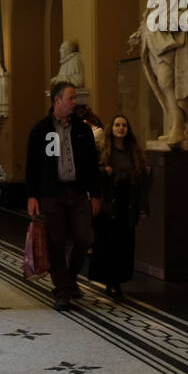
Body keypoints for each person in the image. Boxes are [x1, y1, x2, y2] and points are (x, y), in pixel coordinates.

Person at [26, 82, 101, 311]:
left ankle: (69, 279)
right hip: (52, 194)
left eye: (75, 98)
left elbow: (91, 165)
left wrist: (95, 195)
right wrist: (32, 196)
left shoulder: (82, 129)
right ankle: (62, 291)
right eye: (70, 98)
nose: (74, 102)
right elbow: (33, 165)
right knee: (55, 242)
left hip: (77, 193)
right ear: (57, 100)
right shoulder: (41, 130)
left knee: (84, 238)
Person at [91, 115, 150, 298]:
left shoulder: (134, 152)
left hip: (127, 202)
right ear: (112, 128)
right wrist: (103, 171)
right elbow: (92, 173)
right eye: (117, 125)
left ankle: (119, 280)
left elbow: (141, 182)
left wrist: (142, 207)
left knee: (125, 244)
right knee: (109, 243)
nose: (121, 128)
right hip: (110, 201)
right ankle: (110, 281)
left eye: (124, 125)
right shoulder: (104, 150)